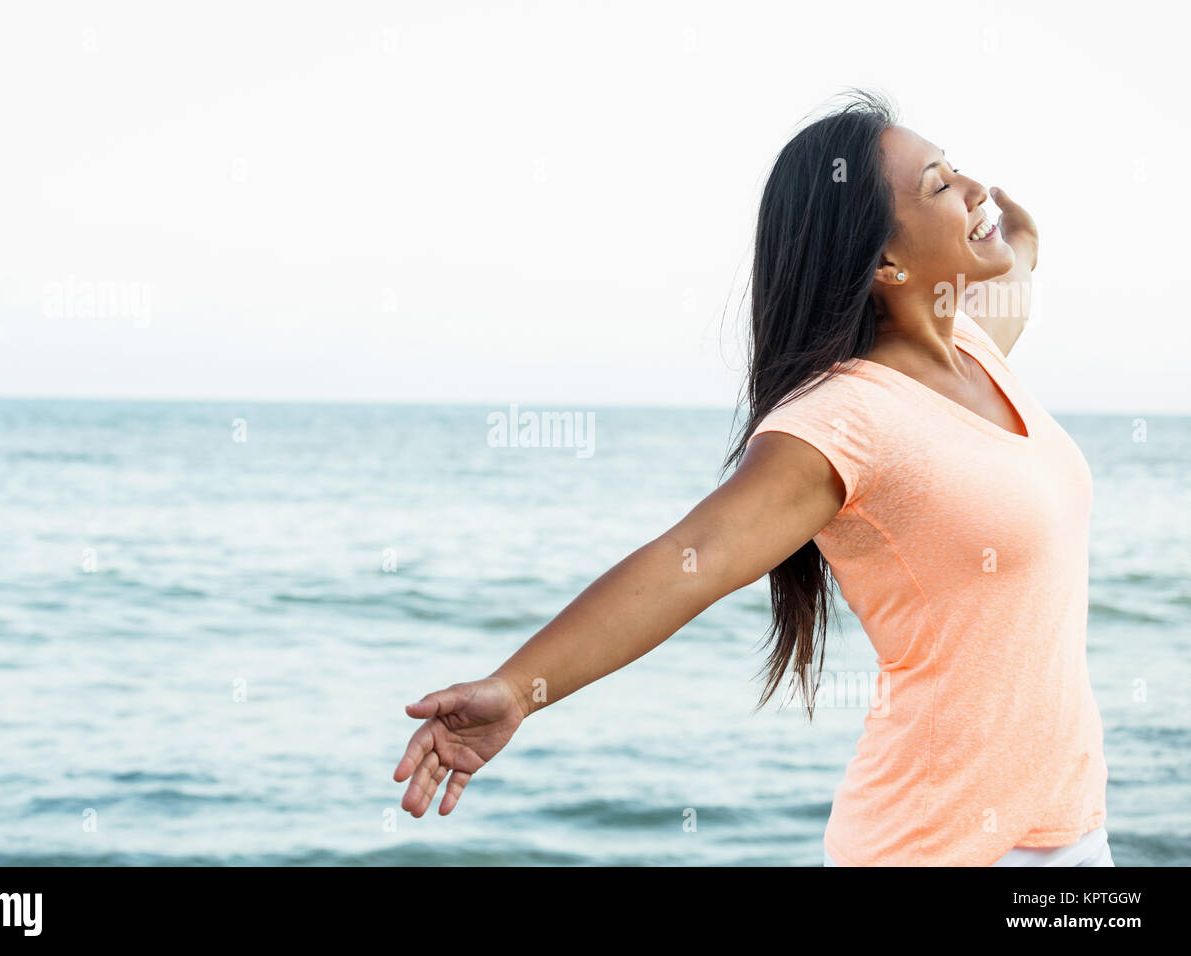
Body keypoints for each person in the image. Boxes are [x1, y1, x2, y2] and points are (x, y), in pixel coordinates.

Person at [392, 90, 1110, 866]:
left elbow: (1014, 292)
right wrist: (519, 688)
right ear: (889, 262)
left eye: (959, 168)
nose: (973, 189)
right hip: (939, 848)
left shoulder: (973, 353)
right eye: (940, 185)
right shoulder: (848, 420)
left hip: (1067, 833)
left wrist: (1023, 245)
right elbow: (688, 561)